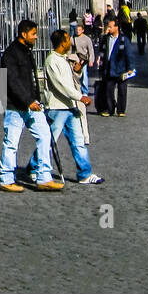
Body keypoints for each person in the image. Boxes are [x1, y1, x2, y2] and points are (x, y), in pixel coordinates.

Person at [0, 19, 61, 192]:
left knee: (45, 136)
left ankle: (44, 177)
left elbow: (31, 79)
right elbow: (11, 81)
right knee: (11, 143)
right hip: (15, 106)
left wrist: (36, 100)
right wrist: (28, 101)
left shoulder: (27, 51)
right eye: (33, 34)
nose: (36, 37)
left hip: (32, 104)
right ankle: (6, 179)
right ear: (24, 34)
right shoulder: (10, 54)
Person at [42, 30, 103, 185]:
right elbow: (61, 86)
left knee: (78, 141)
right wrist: (80, 97)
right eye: (68, 39)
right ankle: (35, 168)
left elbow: (70, 81)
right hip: (57, 108)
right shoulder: (51, 61)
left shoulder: (64, 59)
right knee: (49, 143)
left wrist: (77, 72)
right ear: (62, 42)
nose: (71, 42)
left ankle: (84, 174)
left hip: (70, 106)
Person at [99, 16, 134, 116]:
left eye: (110, 27)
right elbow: (102, 51)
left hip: (121, 68)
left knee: (122, 90)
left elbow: (129, 54)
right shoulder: (106, 39)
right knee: (109, 90)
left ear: (116, 27)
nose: (108, 29)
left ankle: (121, 110)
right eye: (108, 27)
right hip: (109, 68)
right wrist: (100, 63)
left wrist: (130, 68)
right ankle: (109, 109)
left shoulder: (124, 39)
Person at [70, 23, 94, 95]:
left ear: (83, 30)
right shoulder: (73, 38)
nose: (78, 31)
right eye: (76, 30)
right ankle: (77, 89)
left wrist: (91, 60)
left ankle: (85, 91)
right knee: (76, 75)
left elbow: (91, 50)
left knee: (84, 75)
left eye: (79, 30)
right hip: (77, 58)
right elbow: (69, 48)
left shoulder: (87, 39)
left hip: (85, 59)